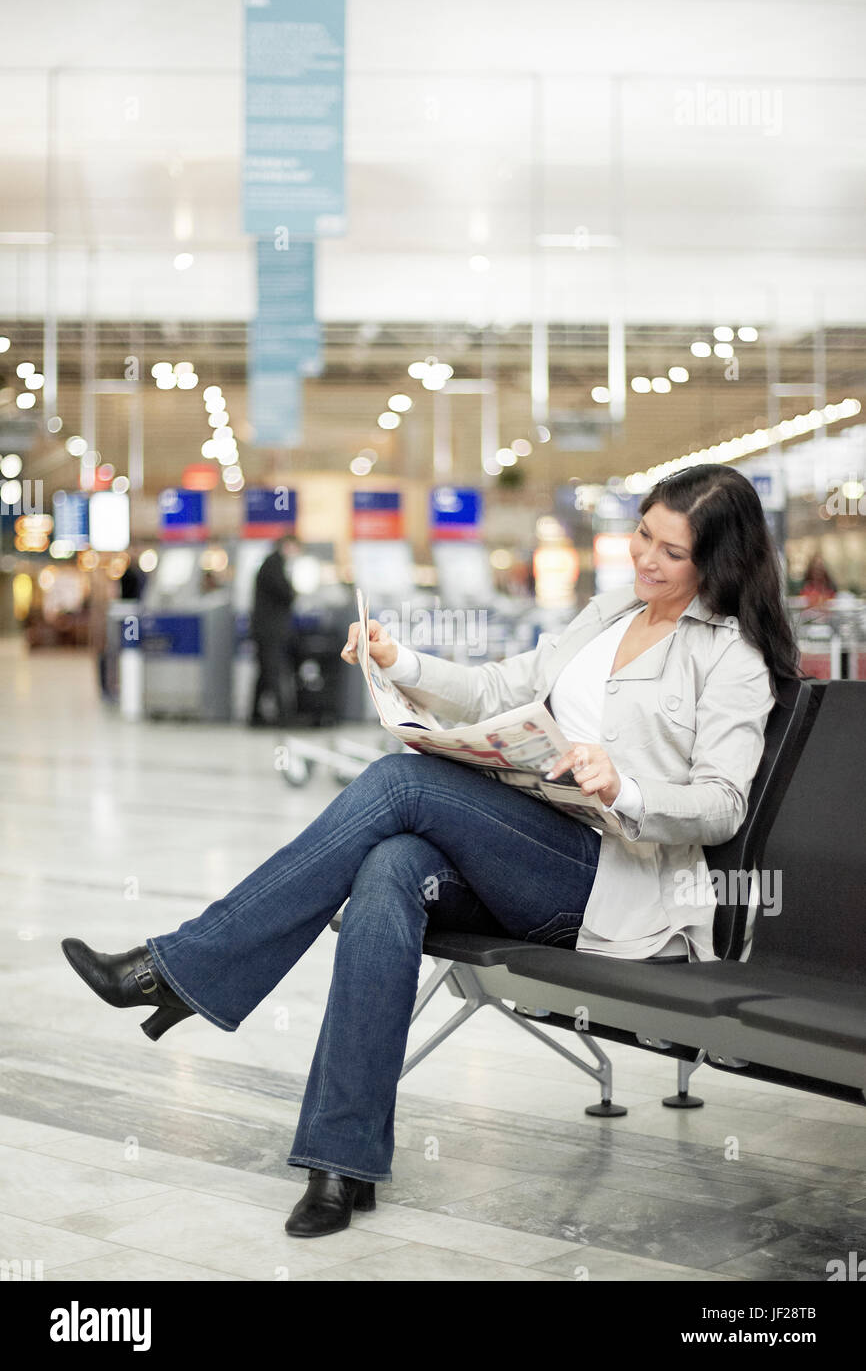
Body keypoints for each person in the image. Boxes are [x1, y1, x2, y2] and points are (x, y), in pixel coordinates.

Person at [60, 464, 801, 1239]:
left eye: (670, 552)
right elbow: (501, 689)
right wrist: (400, 664)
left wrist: (626, 789)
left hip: (609, 875)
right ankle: (338, 1164)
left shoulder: (731, 657)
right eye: (642, 533)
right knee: (389, 871)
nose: (644, 558)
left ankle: (175, 970)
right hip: (524, 842)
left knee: (398, 784)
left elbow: (722, 807)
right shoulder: (613, 609)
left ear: (716, 563)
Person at [248, 532, 300, 726]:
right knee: (274, 670)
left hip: (264, 629)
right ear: (287, 545)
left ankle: (255, 715)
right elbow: (286, 593)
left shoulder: (269, 563)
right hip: (270, 630)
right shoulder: (274, 564)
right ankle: (283, 716)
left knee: (264, 672)